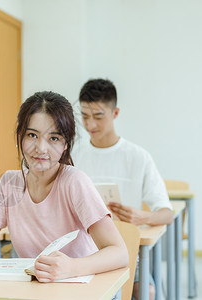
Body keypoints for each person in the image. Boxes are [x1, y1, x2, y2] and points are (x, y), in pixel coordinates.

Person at [0, 91, 128, 293]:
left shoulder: (74, 182)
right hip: (34, 291)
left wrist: (72, 267)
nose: (41, 148)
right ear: (20, 136)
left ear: (65, 145)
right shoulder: (10, 183)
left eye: (53, 138)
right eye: (32, 135)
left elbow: (119, 252)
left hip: (81, 291)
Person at [73, 79, 173, 300]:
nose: (91, 124)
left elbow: (167, 214)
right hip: (82, 252)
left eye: (98, 116)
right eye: (85, 116)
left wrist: (142, 216)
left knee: (145, 292)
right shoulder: (74, 155)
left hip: (126, 253)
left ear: (115, 113)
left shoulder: (138, 157)